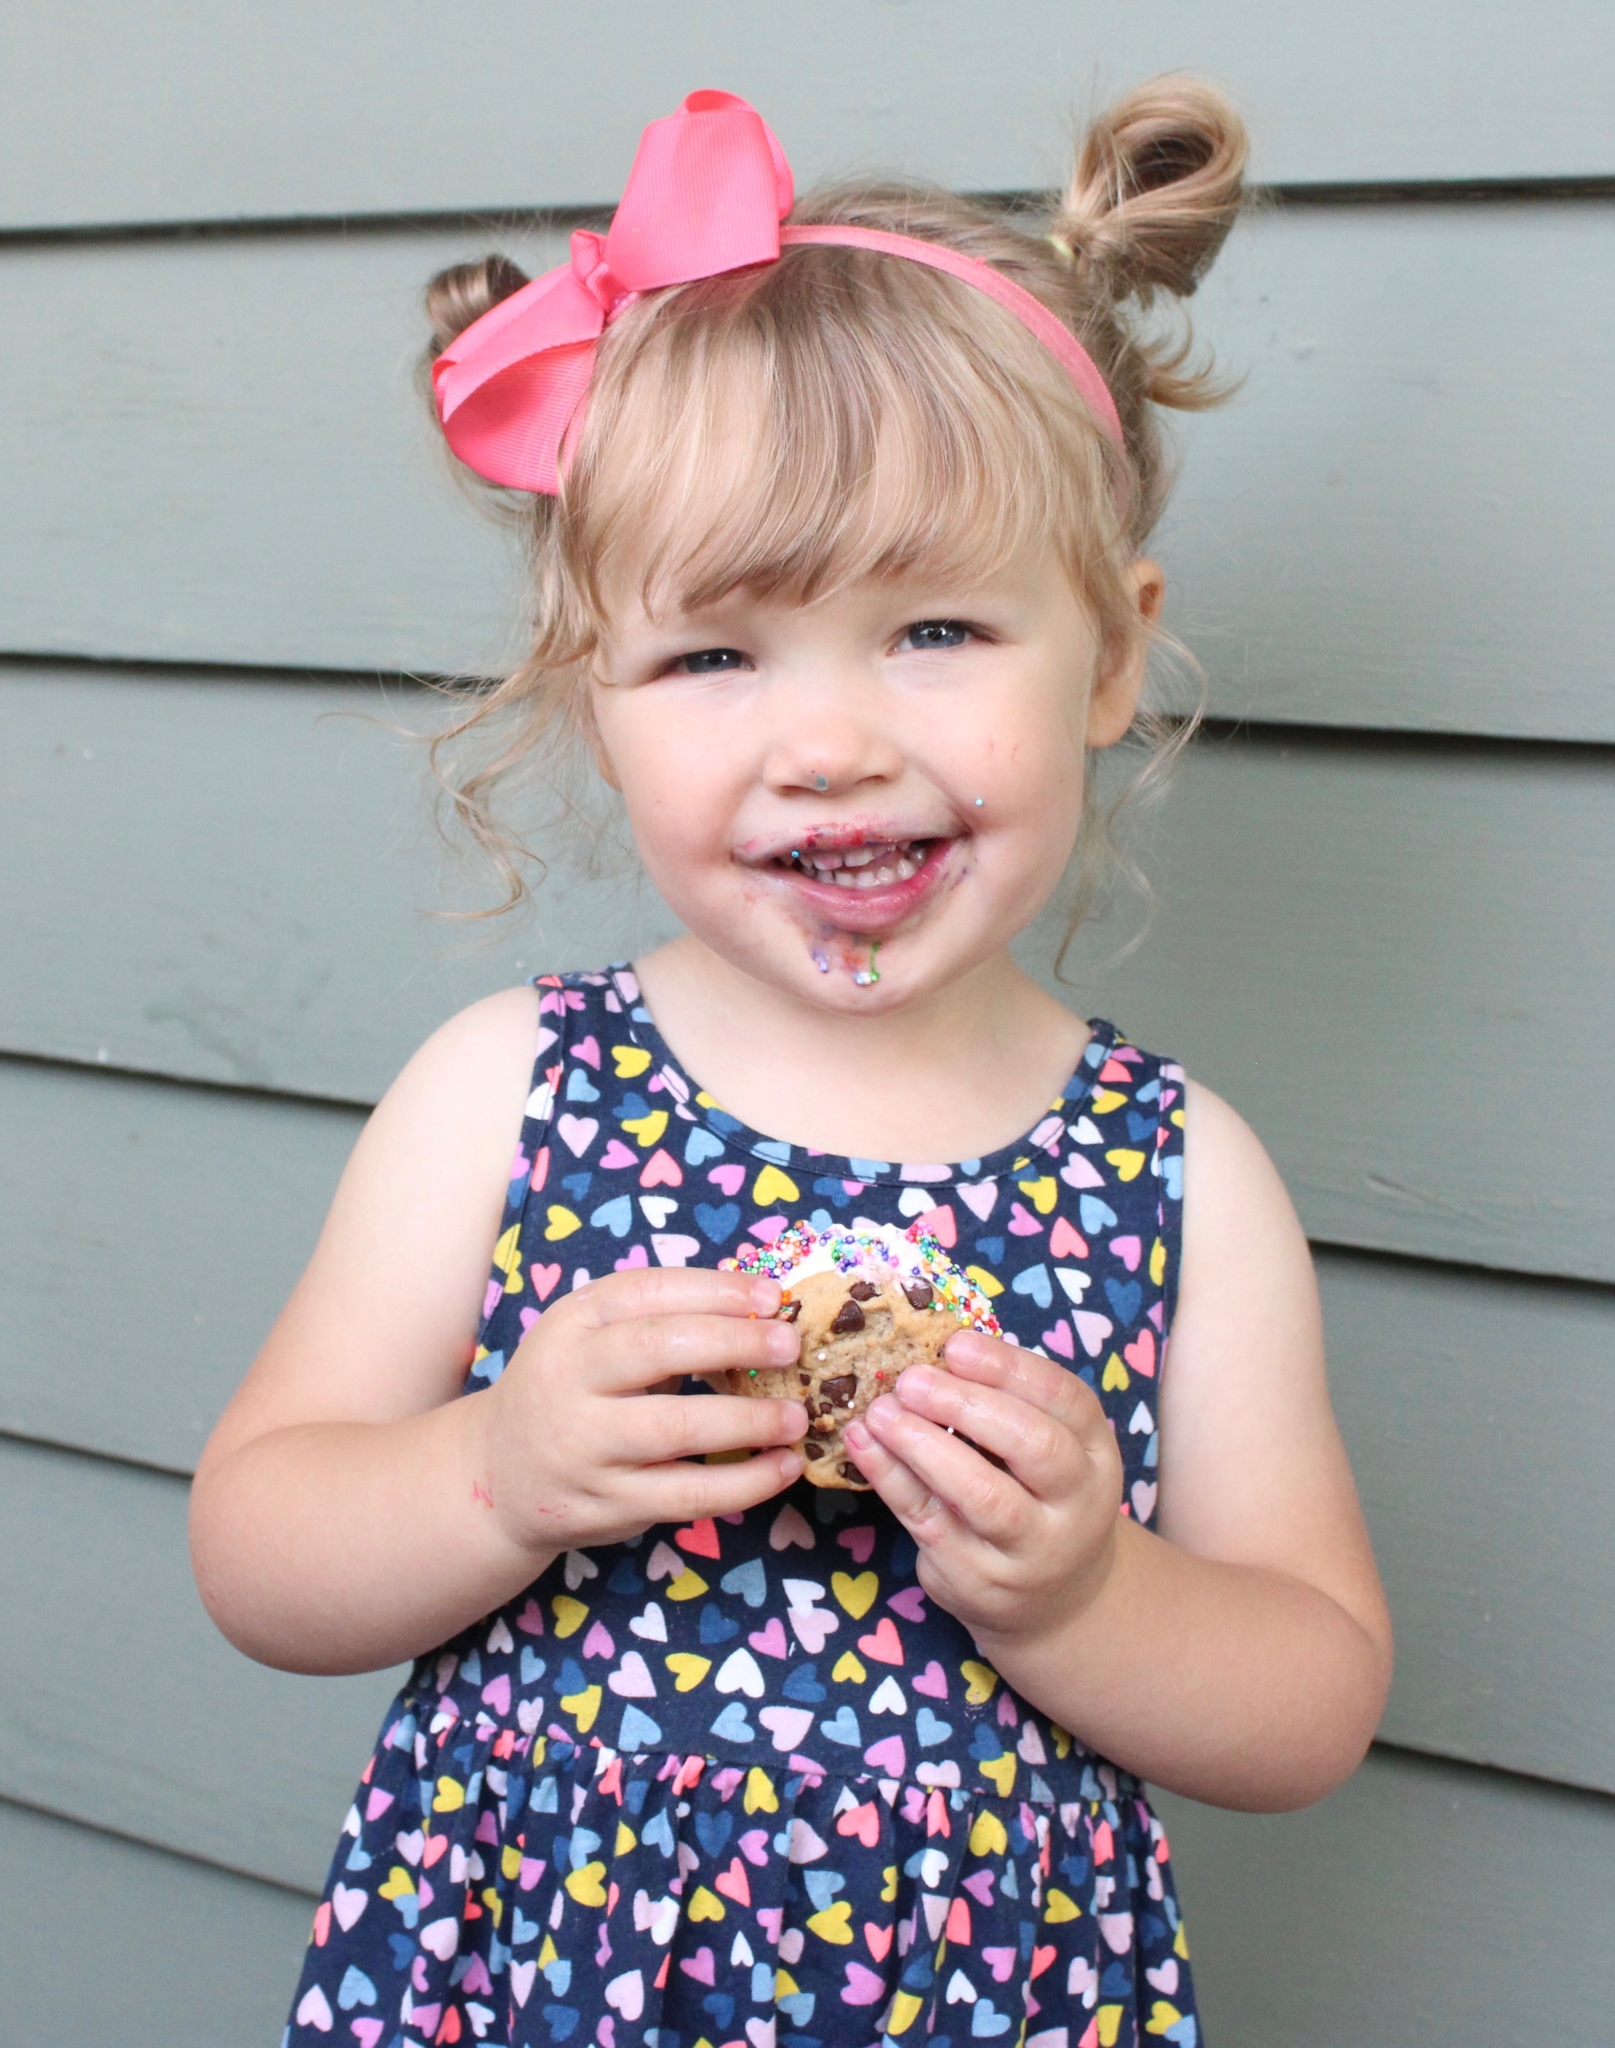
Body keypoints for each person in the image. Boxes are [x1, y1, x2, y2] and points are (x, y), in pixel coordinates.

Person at [190, 83, 1392, 2048]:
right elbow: (259, 1545)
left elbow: (1309, 1693)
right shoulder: (508, 1093)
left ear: (1104, 653)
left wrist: (1085, 1591)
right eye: (715, 656)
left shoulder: (1177, 1169)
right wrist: (495, 1471)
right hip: (544, 1982)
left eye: (931, 625)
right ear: (595, 699)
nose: (829, 741)